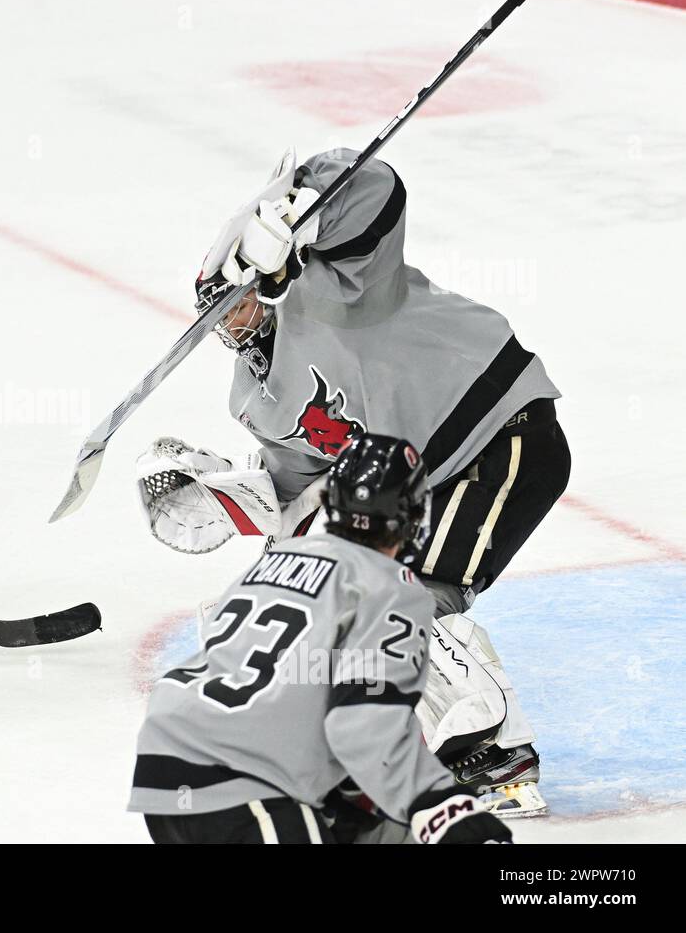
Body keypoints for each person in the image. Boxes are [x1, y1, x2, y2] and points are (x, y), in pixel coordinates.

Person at [135, 149, 569, 817]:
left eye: (239, 301)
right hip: (424, 480)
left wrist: (301, 205)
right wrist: (218, 498)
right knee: (347, 594)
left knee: (405, 596)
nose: (233, 322)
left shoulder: (336, 287)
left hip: (502, 436)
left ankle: (493, 754)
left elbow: (375, 190)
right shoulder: (255, 398)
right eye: (221, 315)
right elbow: (310, 499)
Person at [130, 434, 511, 845]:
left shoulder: (271, 565)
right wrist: (439, 803)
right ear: (414, 516)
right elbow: (363, 721)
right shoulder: (390, 589)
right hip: (244, 781)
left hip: (165, 765)